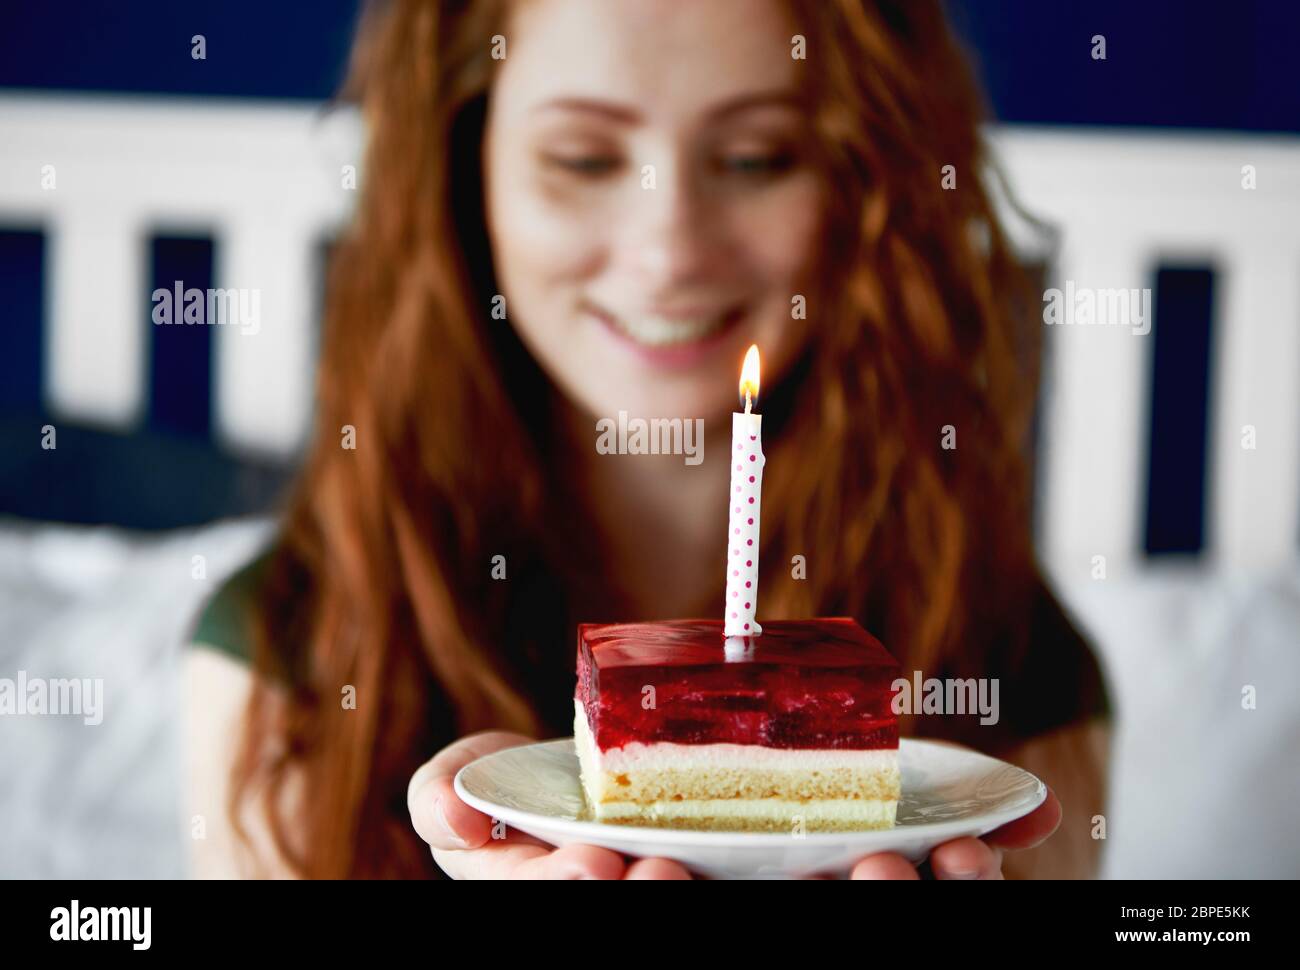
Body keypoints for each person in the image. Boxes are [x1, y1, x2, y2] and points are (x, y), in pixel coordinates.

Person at [185, 0, 1112, 880]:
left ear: (867, 179)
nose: (670, 249)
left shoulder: (1016, 673)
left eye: (757, 157)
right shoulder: (288, 660)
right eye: (584, 159)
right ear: (464, 171)